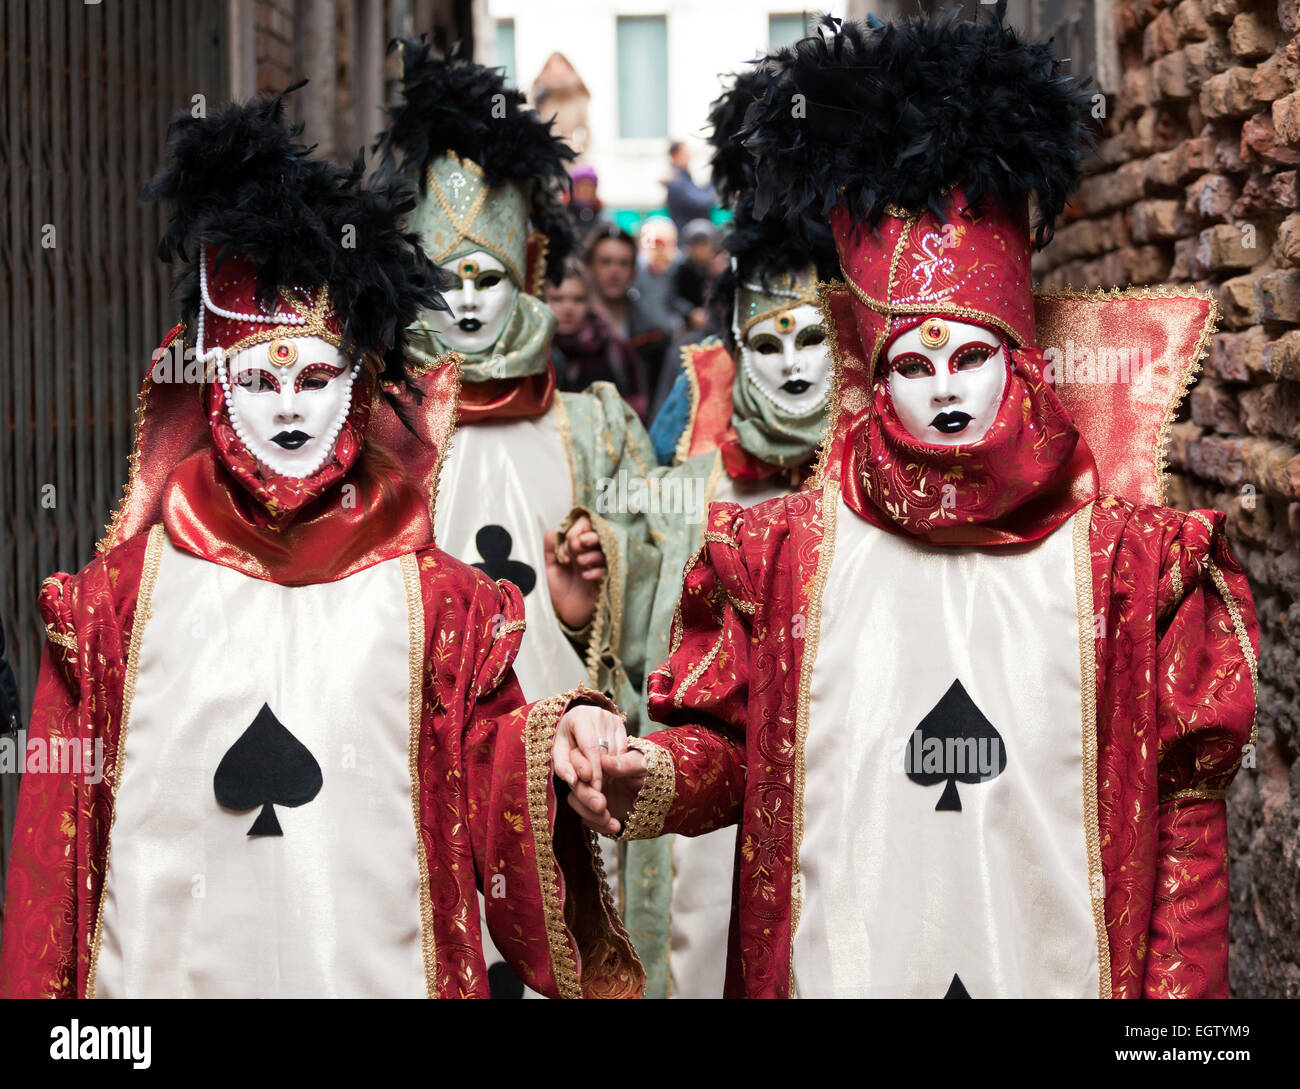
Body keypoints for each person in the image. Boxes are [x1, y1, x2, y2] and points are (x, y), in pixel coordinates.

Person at [555, 8, 1258, 999]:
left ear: (1016, 361)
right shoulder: (782, 556)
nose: (944, 387)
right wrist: (649, 777)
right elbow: (733, 752)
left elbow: (1186, 840)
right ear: (876, 377)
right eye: (914, 362)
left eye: (970, 356)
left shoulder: (1136, 568)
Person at [0, 91, 642, 999]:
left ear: (361, 384)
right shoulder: (110, 610)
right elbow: (50, 877)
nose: (290, 405)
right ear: (215, 386)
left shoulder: (444, 605)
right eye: (260, 378)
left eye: (315, 375)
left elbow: (494, 765)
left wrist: (561, 730)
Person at [376, 44, 660, 995]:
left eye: (486, 277)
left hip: (558, 773)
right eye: (445, 275)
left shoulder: (594, 429)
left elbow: (664, 612)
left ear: (525, 275)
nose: (463, 298)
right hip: (416, 765)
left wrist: (590, 596)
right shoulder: (378, 430)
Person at [622, 65, 842, 999]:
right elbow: (637, 574)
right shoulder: (694, 406)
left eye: (813, 338)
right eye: (769, 342)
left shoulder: (898, 438)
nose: (791, 365)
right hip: (710, 767)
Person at [546, 257, 647, 419]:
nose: (568, 308)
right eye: (557, 299)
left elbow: (636, 411)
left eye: (578, 299)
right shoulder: (531, 351)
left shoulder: (616, 351)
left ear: (590, 302)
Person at [587, 224, 674, 403]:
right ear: (590, 267)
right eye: (605, 262)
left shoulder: (653, 335)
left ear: (633, 271)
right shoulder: (573, 330)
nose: (614, 271)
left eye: (623, 263)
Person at [664, 140, 716, 231]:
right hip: (686, 237)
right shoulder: (677, 181)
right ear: (675, 156)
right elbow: (701, 202)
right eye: (685, 153)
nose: (689, 156)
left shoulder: (683, 178)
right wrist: (714, 182)